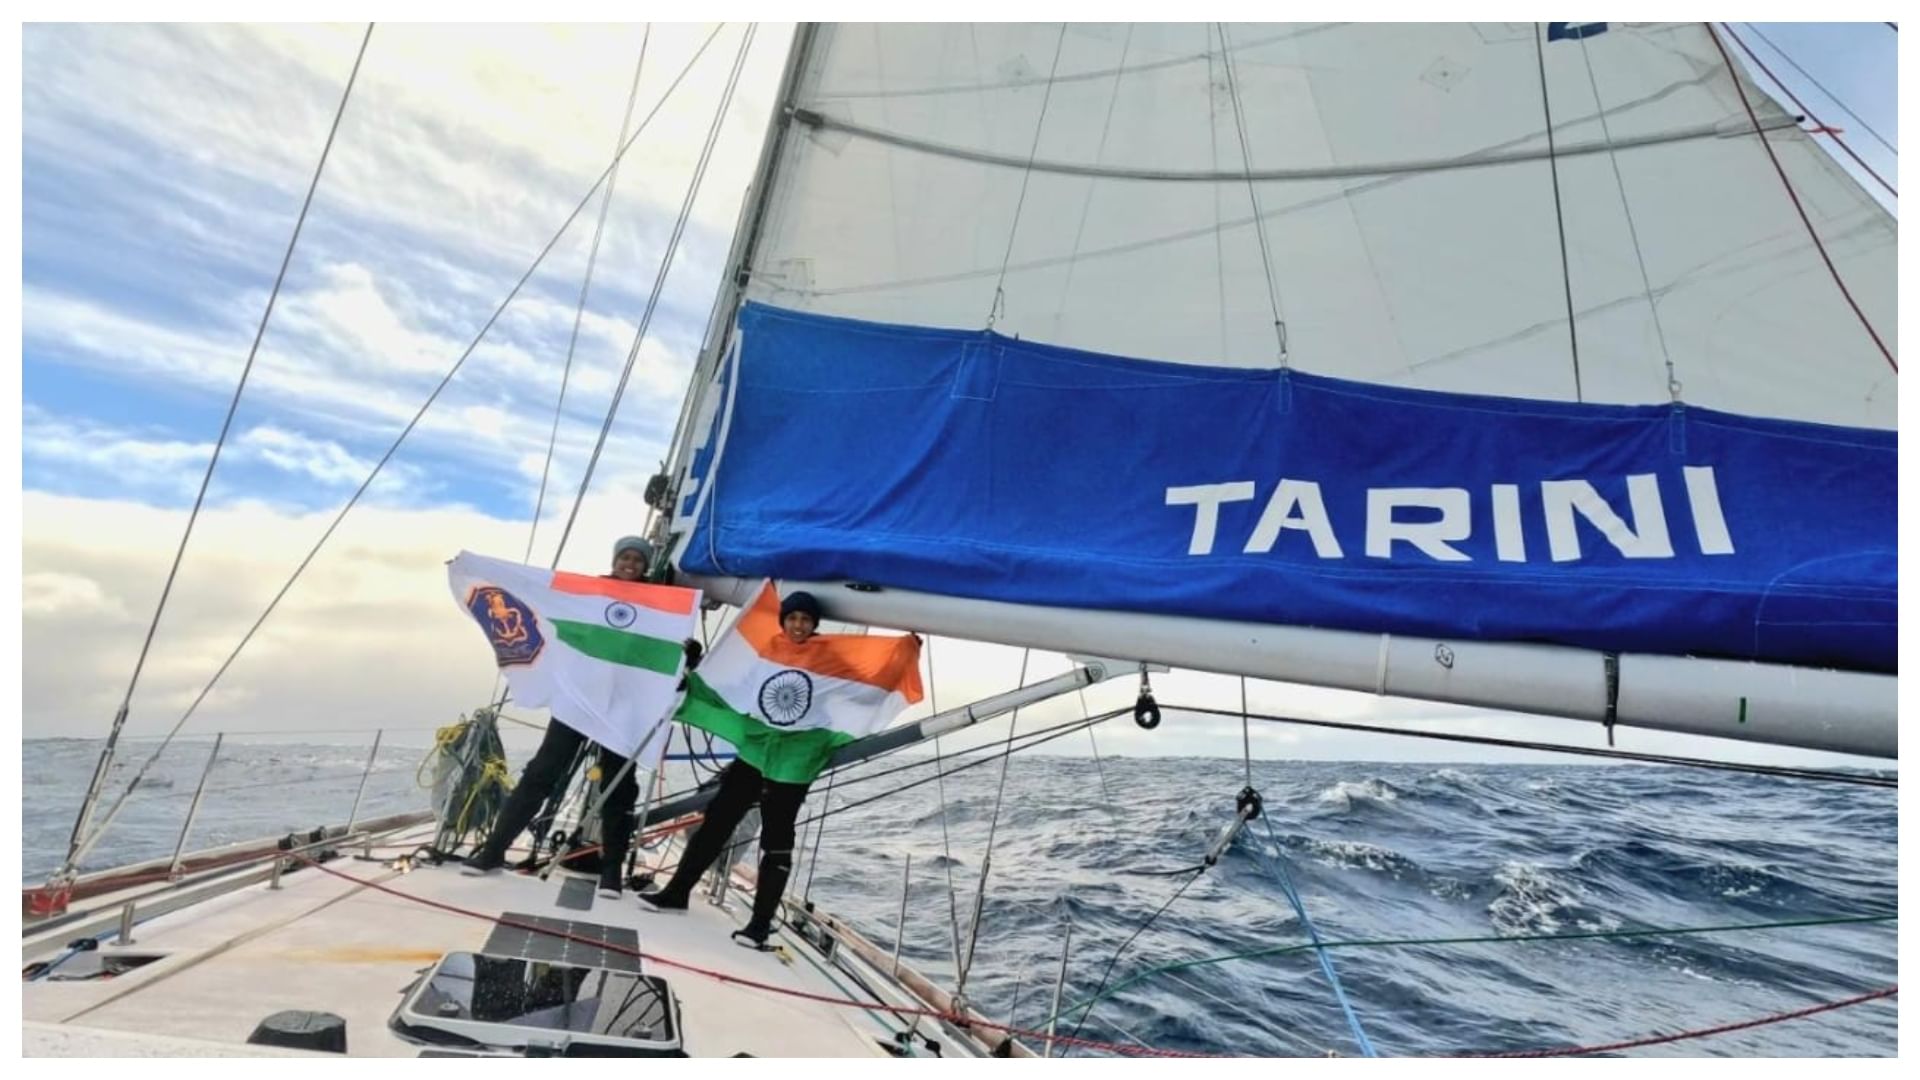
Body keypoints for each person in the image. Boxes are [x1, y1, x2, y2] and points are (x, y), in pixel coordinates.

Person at [460, 535, 657, 898]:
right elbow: (549, 614)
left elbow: (668, 648)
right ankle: (493, 851)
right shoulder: (588, 594)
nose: (630, 564)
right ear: (615, 560)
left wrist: (688, 649)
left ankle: (611, 871)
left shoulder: (662, 606)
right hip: (579, 698)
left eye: (638, 560)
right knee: (542, 773)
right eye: (625, 557)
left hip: (623, 706)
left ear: (647, 567)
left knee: (619, 786)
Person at [636, 591, 824, 950]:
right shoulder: (767, 653)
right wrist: (696, 668)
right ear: (783, 621)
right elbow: (731, 686)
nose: (798, 625)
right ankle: (677, 893)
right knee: (717, 821)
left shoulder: (827, 661)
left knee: (777, 841)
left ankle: (759, 924)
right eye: (792, 618)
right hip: (754, 753)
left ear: (814, 624)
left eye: (805, 619)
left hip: (792, 763)